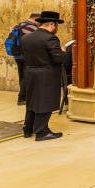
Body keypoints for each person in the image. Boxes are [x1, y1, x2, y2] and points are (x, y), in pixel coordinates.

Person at [20, 10, 66, 141]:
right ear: (52, 24)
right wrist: (63, 51)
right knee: (45, 101)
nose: (56, 28)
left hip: (30, 73)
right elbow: (57, 58)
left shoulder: (26, 38)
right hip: (46, 75)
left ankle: (27, 129)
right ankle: (41, 132)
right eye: (56, 25)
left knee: (32, 101)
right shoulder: (50, 38)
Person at [11, 12, 41, 105]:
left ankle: (23, 97)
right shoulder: (30, 27)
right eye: (40, 21)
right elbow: (33, 41)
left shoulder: (20, 25)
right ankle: (22, 98)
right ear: (36, 19)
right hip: (25, 55)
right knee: (27, 77)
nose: (40, 23)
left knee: (22, 76)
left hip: (17, 55)